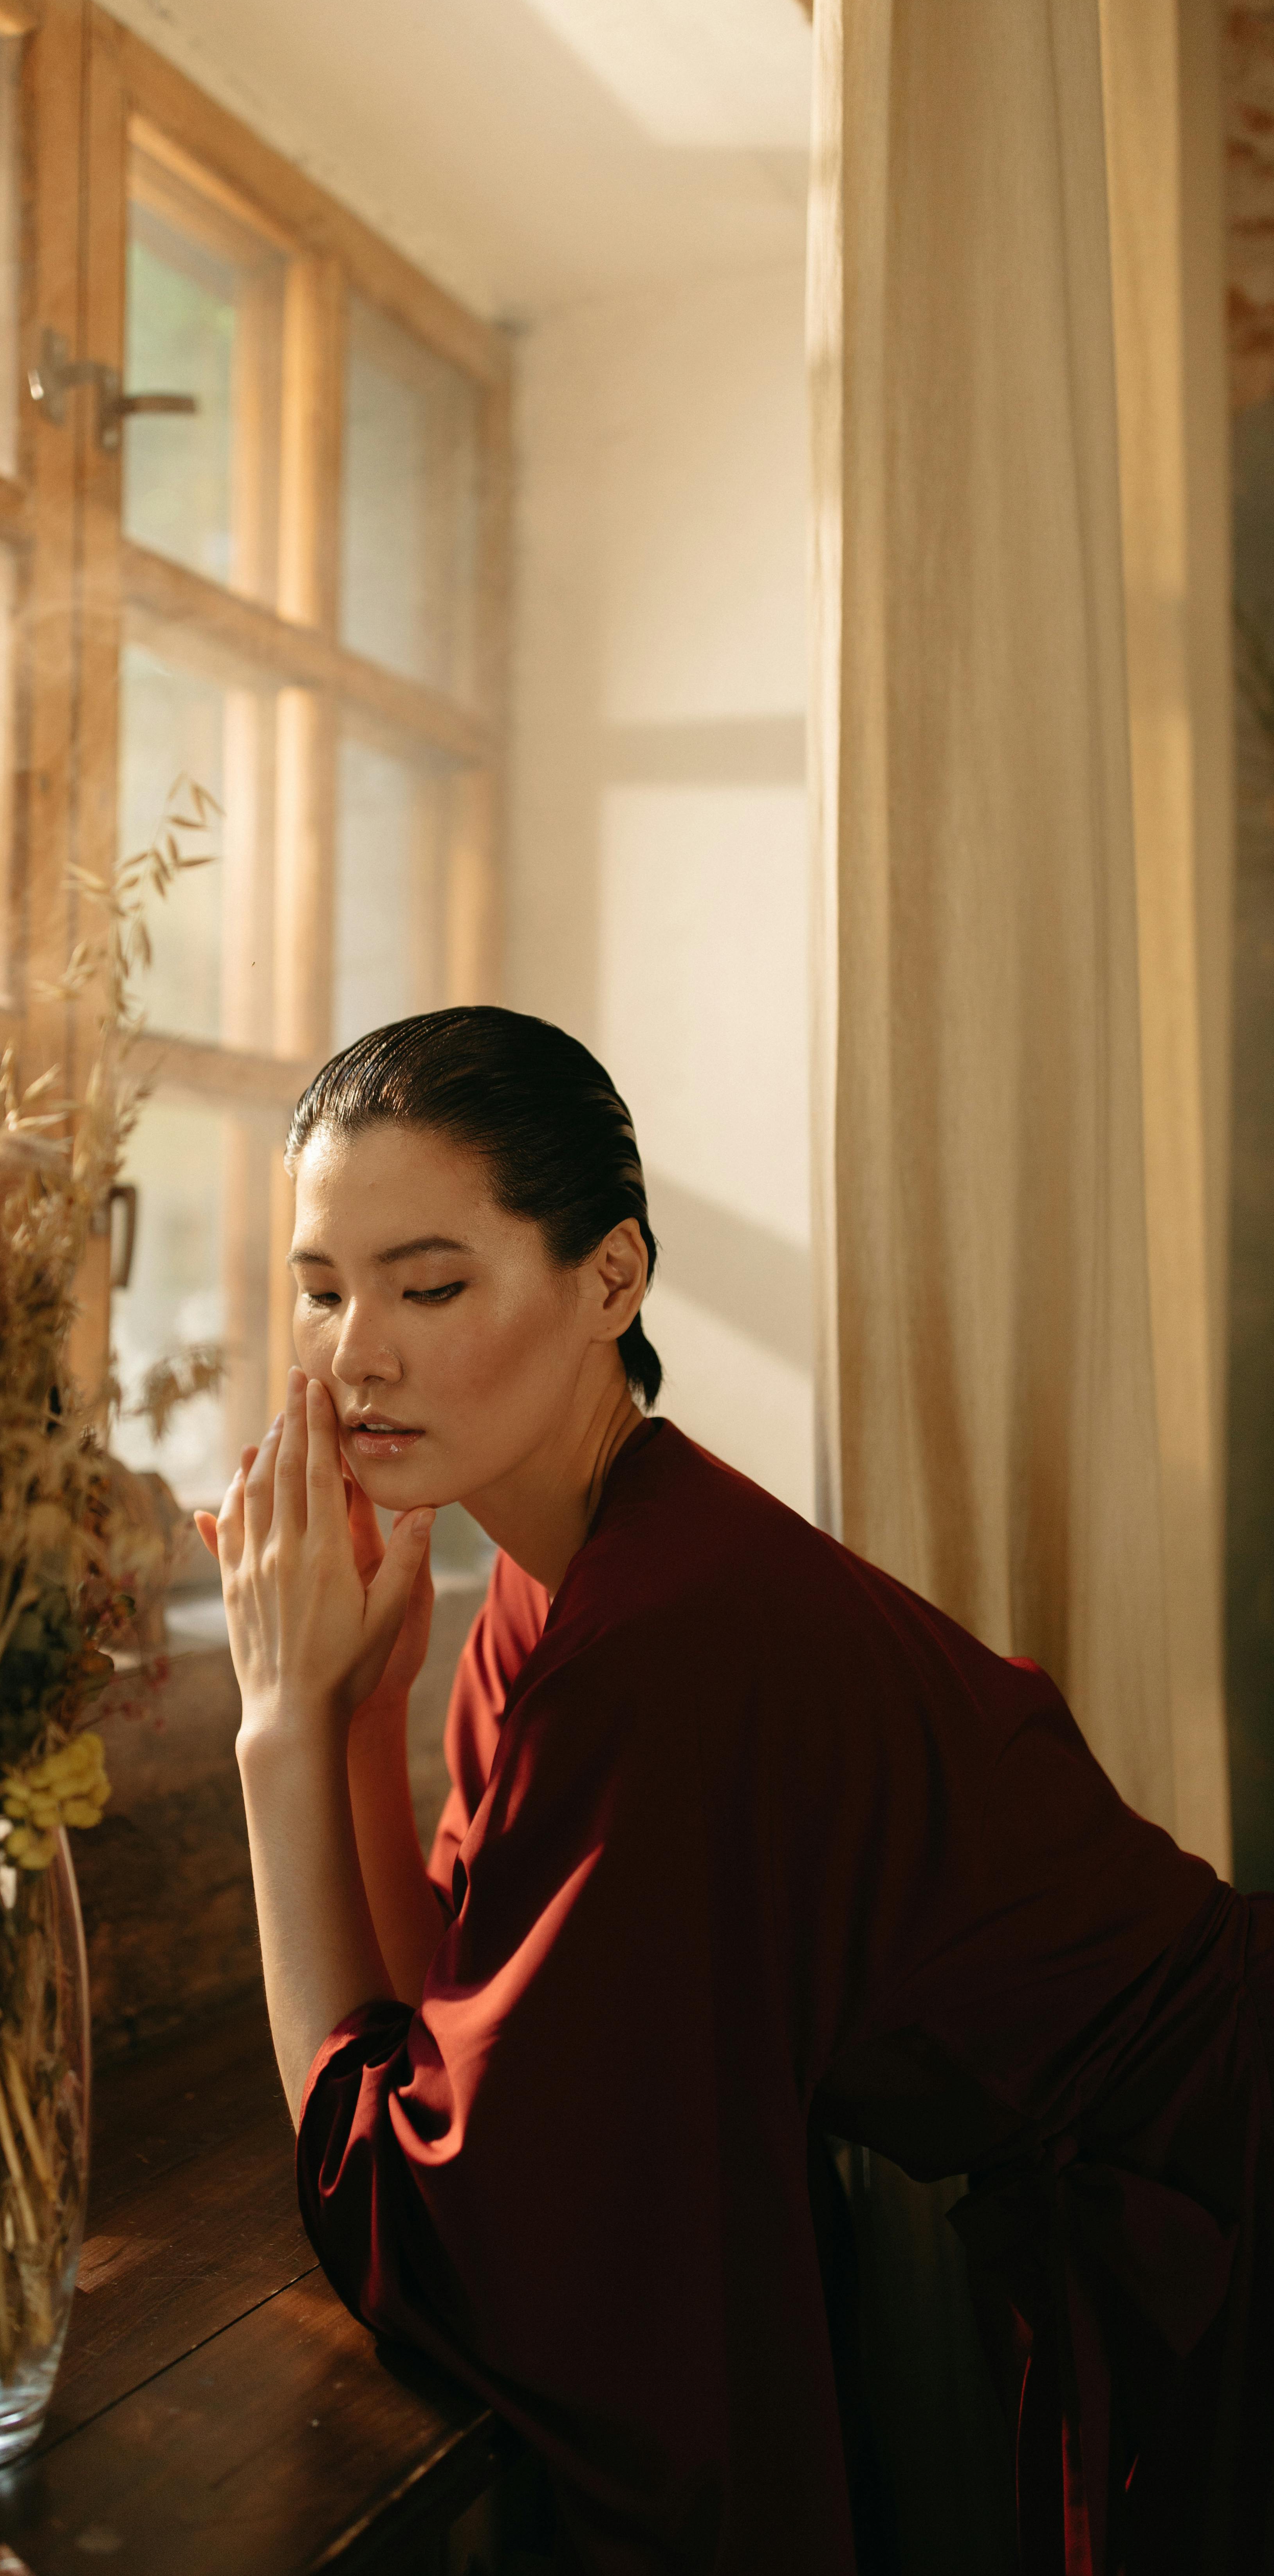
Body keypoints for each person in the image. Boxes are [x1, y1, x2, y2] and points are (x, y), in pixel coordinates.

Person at [193, 1005, 1273, 2576]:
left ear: (609, 1279)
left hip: (1219, 2177)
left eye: (428, 1286)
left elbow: (443, 2233)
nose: (358, 1351)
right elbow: (456, 2023)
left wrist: (279, 1732)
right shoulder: (558, 1590)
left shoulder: (664, 1636)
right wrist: (355, 1710)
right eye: (316, 1290)